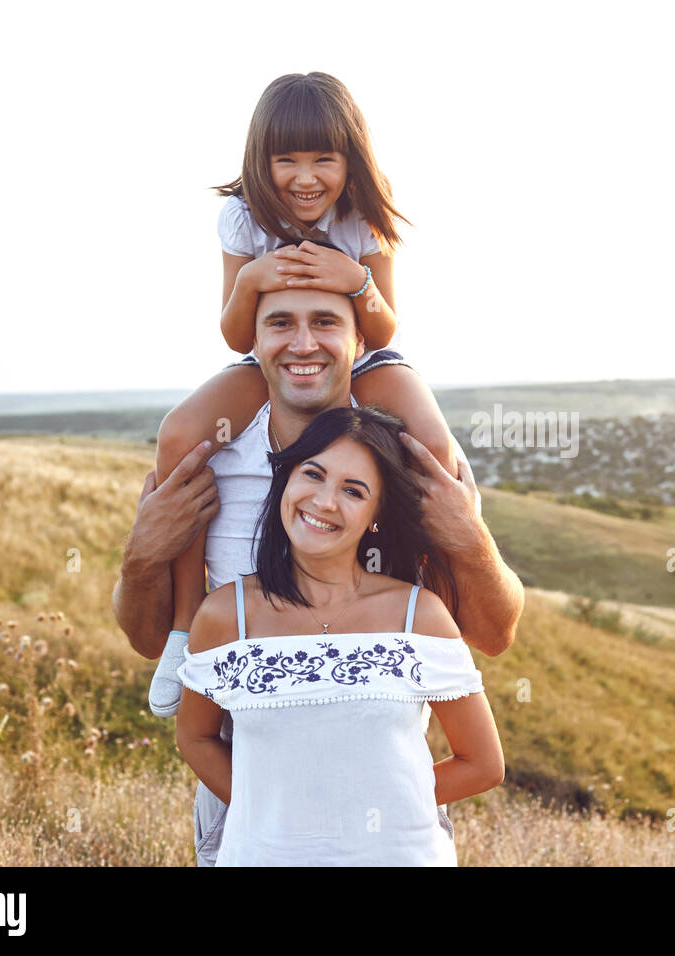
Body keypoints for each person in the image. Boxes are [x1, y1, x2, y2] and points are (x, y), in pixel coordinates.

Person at [112, 277, 523, 864]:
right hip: (248, 808)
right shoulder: (207, 460)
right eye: (281, 323)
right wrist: (141, 555)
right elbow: (156, 661)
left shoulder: (403, 463)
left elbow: (494, 644)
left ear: (362, 342)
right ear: (252, 342)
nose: (303, 343)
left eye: (326, 323)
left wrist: (473, 541)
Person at [151, 72, 460, 694]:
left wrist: (354, 280)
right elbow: (237, 336)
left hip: (360, 355)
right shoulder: (242, 219)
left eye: (325, 158)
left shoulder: (365, 218)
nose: (305, 176)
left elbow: (385, 327)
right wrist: (252, 281)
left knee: (432, 444)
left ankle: (447, 608)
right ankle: (184, 627)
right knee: (181, 433)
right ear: (260, 165)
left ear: (352, 160)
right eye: (285, 159)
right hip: (272, 354)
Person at [176, 405, 503, 865]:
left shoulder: (418, 615)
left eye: (353, 490)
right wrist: (273, 811)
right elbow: (195, 738)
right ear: (287, 481)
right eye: (313, 474)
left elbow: (483, 764)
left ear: (376, 515)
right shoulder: (227, 616)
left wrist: (366, 814)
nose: (325, 501)